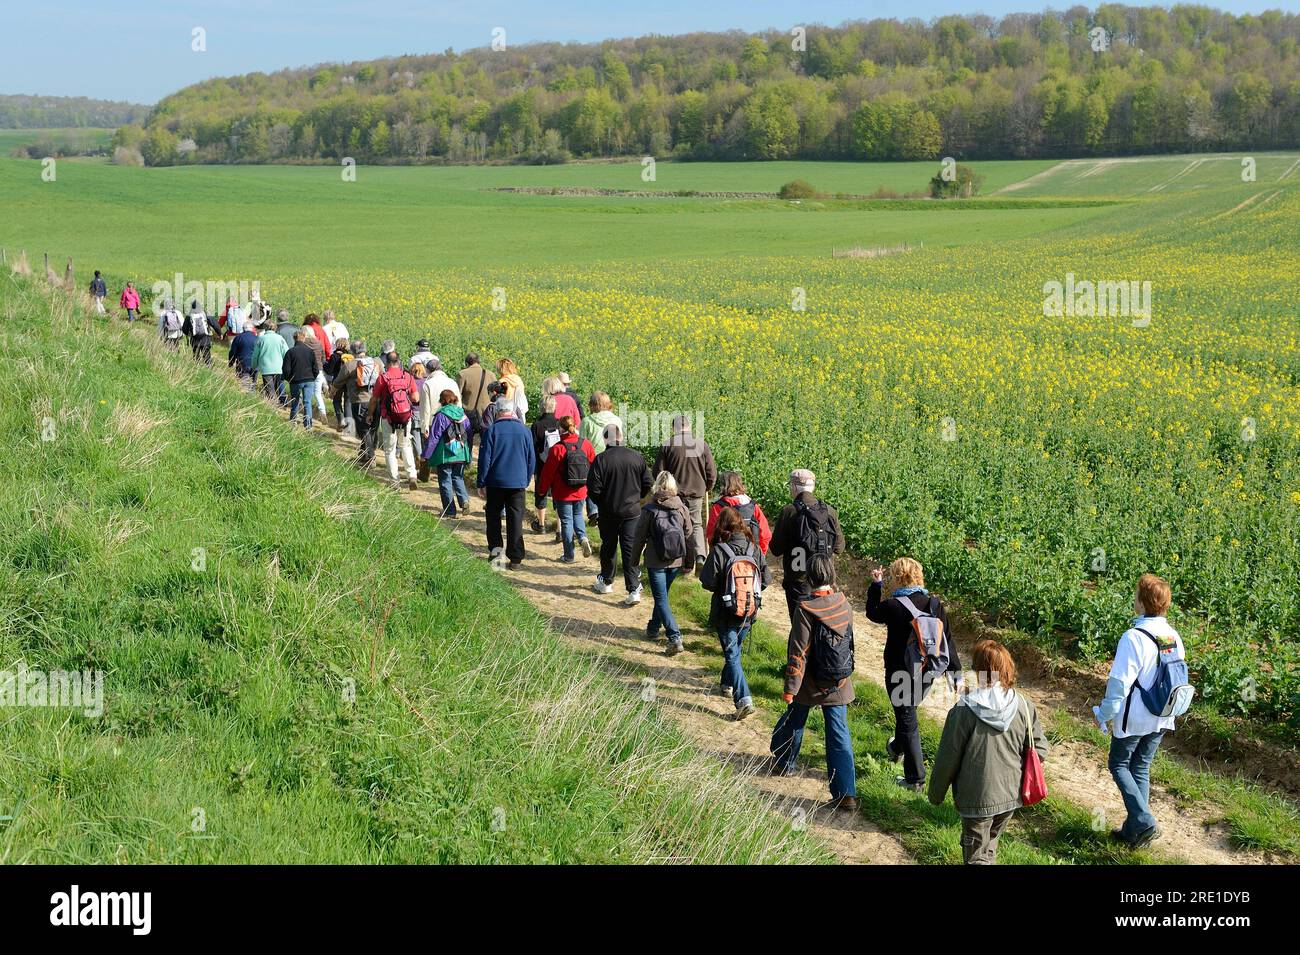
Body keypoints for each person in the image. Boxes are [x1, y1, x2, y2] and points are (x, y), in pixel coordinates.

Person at [928, 640, 1048, 865]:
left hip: (977, 798)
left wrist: (935, 795)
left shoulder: (964, 710)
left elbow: (948, 758)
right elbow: (1040, 749)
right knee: (989, 847)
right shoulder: (1023, 704)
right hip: (1010, 797)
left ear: (978, 671)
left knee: (976, 857)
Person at [1094, 573, 1187, 849]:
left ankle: (1144, 820)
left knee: (1119, 764)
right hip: (1163, 713)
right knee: (1140, 766)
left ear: (1142, 602)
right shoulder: (1173, 635)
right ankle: (1135, 833)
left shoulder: (1133, 637)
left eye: (1136, 595)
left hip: (1135, 716)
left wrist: (1103, 714)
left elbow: (1119, 685)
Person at [866, 557, 964, 792]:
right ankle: (896, 747)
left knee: (907, 718)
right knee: (906, 713)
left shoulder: (892, 606)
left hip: (899, 672)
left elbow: (872, 612)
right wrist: (956, 673)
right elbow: (947, 639)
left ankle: (916, 780)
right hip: (927, 671)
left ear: (897, 577)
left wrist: (876, 585)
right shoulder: (934, 604)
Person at [770, 553, 858, 810]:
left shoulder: (805, 608)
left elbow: (798, 652)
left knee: (796, 718)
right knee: (838, 733)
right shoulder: (845, 604)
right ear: (831, 574)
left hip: (809, 682)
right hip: (838, 680)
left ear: (809, 576)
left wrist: (790, 688)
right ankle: (846, 794)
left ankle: (785, 763)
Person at [699, 507, 769, 720]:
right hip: (748, 612)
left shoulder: (720, 551)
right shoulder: (754, 549)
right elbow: (766, 580)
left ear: (722, 526)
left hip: (725, 613)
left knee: (732, 655)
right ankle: (727, 683)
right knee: (735, 652)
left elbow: (707, 582)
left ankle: (743, 699)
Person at [769, 469, 845, 626]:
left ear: (795, 488)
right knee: (823, 625)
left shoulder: (789, 511)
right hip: (825, 580)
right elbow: (839, 548)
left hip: (798, 580)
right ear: (813, 487)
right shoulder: (830, 512)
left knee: (800, 626)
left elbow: (776, 549)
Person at [631, 470, 696, 655]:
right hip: (675, 560)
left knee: (661, 598)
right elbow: (689, 536)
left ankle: (674, 636)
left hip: (655, 561)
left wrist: (634, 560)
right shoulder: (682, 508)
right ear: (674, 487)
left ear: (656, 487)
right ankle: (653, 627)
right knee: (663, 597)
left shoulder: (649, 510)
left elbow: (639, 538)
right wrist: (689, 562)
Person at [588, 423, 652, 604]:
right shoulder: (636, 457)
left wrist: (603, 503)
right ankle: (634, 589)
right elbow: (648, 483)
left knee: (608, 546)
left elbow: (593, 488)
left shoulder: (601, 460)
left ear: (605, 439)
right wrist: (637, 498)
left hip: (608, 512)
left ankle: (607, 582)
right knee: (629, 549)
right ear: (621, 437)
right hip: (632, 511)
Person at [476, 396, 534, 569]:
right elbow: (531, 459)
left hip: (495, 482)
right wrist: (527, 478)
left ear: (497, 411)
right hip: (518, 482)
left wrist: (481, 482)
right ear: (513, 410)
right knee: (515, 519)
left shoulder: (492, 431)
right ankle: (515, 558)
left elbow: (485, 459)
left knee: (493, 518)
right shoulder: (525, 431)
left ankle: (496, 555)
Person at [653, 415, 716, 573]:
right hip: (696, 493)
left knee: (678, 525)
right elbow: (712, 473)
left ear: (674, 428)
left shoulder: (668, 445)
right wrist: (707, 487)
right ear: (689, 427)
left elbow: (659, 472)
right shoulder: (702, 444)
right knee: (695, 525)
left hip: (675, 494)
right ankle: (700, 556)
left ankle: (682, 562)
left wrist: (663, 490)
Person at [536, 415, 596, 563]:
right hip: (581, 490)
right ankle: (582, 537)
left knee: (567, 521)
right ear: (575, 426)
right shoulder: (586, 445)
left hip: (562, 492)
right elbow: (594, 466)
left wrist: (542, 490)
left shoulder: (557, 448)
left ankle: (569, 555)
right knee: (577, 516)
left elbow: (547, 473)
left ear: (560, 429)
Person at [368, 342, 419, 490]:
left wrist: (370, 414)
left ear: (387, 363)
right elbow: (415, 397)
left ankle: (394, 481)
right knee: (406, 445)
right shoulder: (407, 376)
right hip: (405, 416)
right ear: (399, 362)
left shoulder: (383, 378)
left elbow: (374, 399)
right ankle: (412, 475)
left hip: (387, 416)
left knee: (390, 449)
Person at [424, 389, 473, 517]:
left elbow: (434, 437)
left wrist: (426, 455)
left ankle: (450, 511)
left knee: (445, 481)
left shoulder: (441, 415)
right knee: (458, 478)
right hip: (461, 452)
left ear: (442, 400)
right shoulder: (463, 414)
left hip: (445, 454)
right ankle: (464, 501)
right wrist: (469, 452)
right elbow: (469, 434)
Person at [578, 391, 621, 524]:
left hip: (593, 457)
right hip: (613, 456)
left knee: (592, 483)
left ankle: (593, 511)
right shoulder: (617, 420)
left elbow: (582, 442)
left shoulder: (587, 421)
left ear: (592, 405)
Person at [706, 471, 772, 554]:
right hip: (751, 555)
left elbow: (712, 534)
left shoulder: (719, 507)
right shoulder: (752, 506)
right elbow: (765, 534)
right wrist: (760, 555)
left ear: (723, 486)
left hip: (726, 556)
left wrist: (718, 555)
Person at [529, 394, 562, 534]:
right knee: (558, 496)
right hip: (558, 466)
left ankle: (541, 525)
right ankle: (560, 528)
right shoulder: (560, 423)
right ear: (554, 407)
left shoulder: (536, 425)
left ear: (541, 407)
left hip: (542, 466)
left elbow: (533, 448)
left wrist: (533, 469)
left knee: (541, 493)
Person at [457, 353, 496, 457]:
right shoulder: (490, 374)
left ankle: (467, 462)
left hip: (468, 412)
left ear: (466, 363)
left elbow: (457, 394)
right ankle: (486, 462)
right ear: (479, 362)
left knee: (466, 439)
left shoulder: (462, 374)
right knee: (486, 441)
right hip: (487, 413)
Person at [283, 330, 321, 429]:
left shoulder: (290, 352)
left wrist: (289, 379)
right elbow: (316, 368)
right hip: (309, 380)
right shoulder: (310, 351)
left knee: (295, 400)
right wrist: (313, 377)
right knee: (307, 402)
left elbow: (286, 369)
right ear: (303, 338)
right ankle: (308, 425)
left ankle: (293, 422)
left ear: (294, 338)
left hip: (295, 380)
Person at [300, 313, 331, 423]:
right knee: (318, 392)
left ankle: (302, 409)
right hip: (319, 366)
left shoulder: (304, 340)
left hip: (307, 369)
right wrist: (327, 357)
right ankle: (323, 412)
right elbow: (327, 346)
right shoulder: (321, 330)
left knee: (303, 389)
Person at [251, 317, 289, 403]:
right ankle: (278, 404)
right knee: (277, 388)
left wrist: (254, 366)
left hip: (266, 368)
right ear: (275, 328)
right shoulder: (280, 339)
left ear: (265, 327)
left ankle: (273, 406)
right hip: (278, 368)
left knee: (269, 389)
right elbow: (286, 353)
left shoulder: (261, 339)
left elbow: (255, 355)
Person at [323, 337, 351, 430]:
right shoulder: (350, 357)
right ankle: (349, 425)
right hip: (348, 383)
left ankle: (341, 420)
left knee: (336, 401)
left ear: (337, 345)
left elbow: (329, 371)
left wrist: (324, 364)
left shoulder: (334, 356)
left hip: (337, 382)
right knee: (347, 402)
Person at [227, 319, 259, 387]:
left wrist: (231, 362)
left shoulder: (238, 338)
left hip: (242, 363)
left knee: (244, 385)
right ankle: (252, 394)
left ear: (243, 329)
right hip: (255, 365)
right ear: (252, 329)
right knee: (253, 383)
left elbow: (233, 352)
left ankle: (247, 395)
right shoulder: (257, 338)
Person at [186, 300, 213, 364]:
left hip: (195, 340)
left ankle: (197, 368)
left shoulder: (189, 315)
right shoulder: (204, 313)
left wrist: (188, 334)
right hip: (205, 338)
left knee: (196, 356)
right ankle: (208, 368)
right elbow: (213, 323)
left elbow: (184, 328)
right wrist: (219, 333)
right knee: (206, 356)